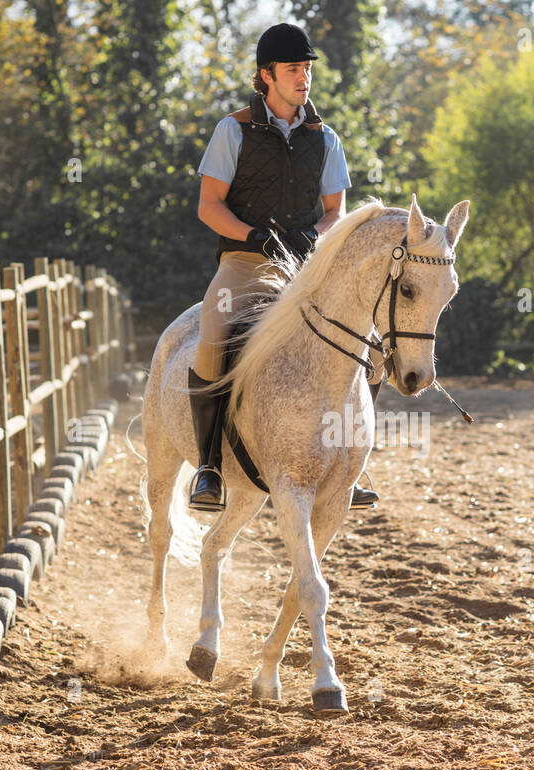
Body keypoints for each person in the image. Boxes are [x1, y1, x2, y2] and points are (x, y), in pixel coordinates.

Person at [189, 22, 382, 513]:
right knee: (213, 335)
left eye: (307, 69)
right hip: (245, 263)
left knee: (374, 349)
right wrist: (253, 235)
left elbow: (337, 211)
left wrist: (310, 237)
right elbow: (209, 207)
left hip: (308, 267)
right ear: (266, 75)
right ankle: (209, 467)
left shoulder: (326, 137)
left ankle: (349, 466)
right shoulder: (232, 130)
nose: (304, 78)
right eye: (293, 69)